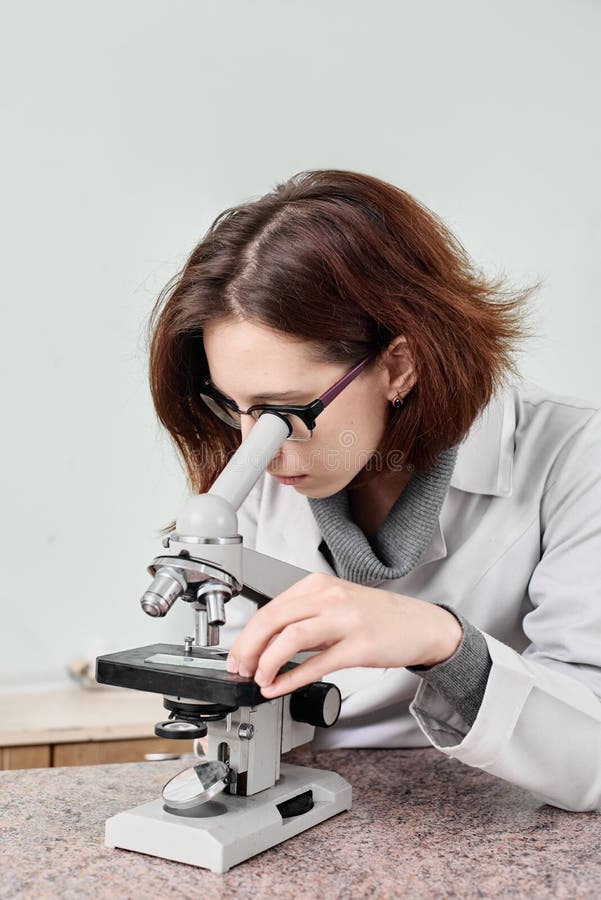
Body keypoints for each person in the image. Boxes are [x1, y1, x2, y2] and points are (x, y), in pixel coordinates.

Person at [147, 168, 601, 813]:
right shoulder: (258, 460)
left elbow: (594, 753)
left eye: (286, 412)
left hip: (485, 809)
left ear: (398, 365)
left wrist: (444, 643)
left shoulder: (575, 455)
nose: (259, 447)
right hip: (310, 798)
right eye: (235, 408)